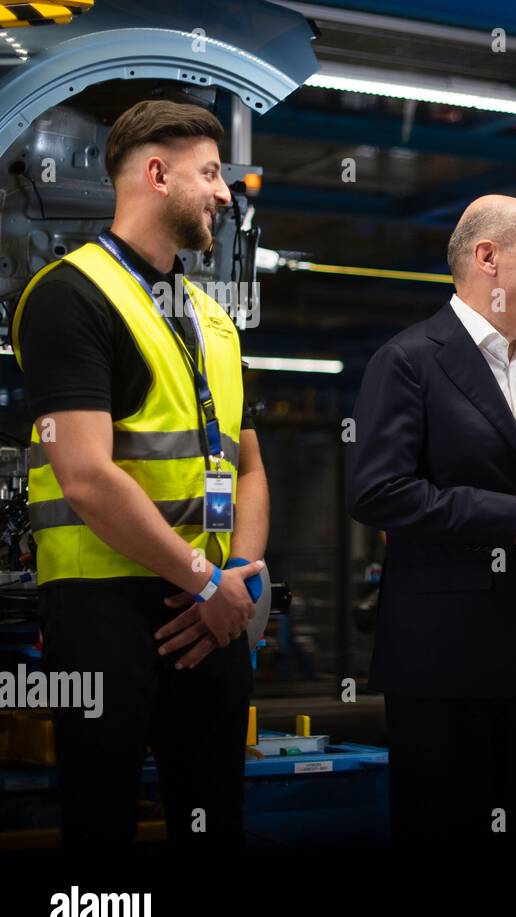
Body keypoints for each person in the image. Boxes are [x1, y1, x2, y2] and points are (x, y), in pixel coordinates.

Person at [11, 100, 268, 849]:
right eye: (211, 174)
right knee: (102, 823)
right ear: (156, 174)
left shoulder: (210, 318)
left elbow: (248, 465)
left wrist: (241, 580)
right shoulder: (69, 296)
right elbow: (87, 477)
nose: (225, 193)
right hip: (104, 613)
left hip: (213, 613)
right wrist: (205, 579)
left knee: (215, 814)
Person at [347, 195, 516, 841]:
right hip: (444, 660)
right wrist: (505, 519)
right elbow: (377, 492)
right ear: (489, 258)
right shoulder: (408, 361)